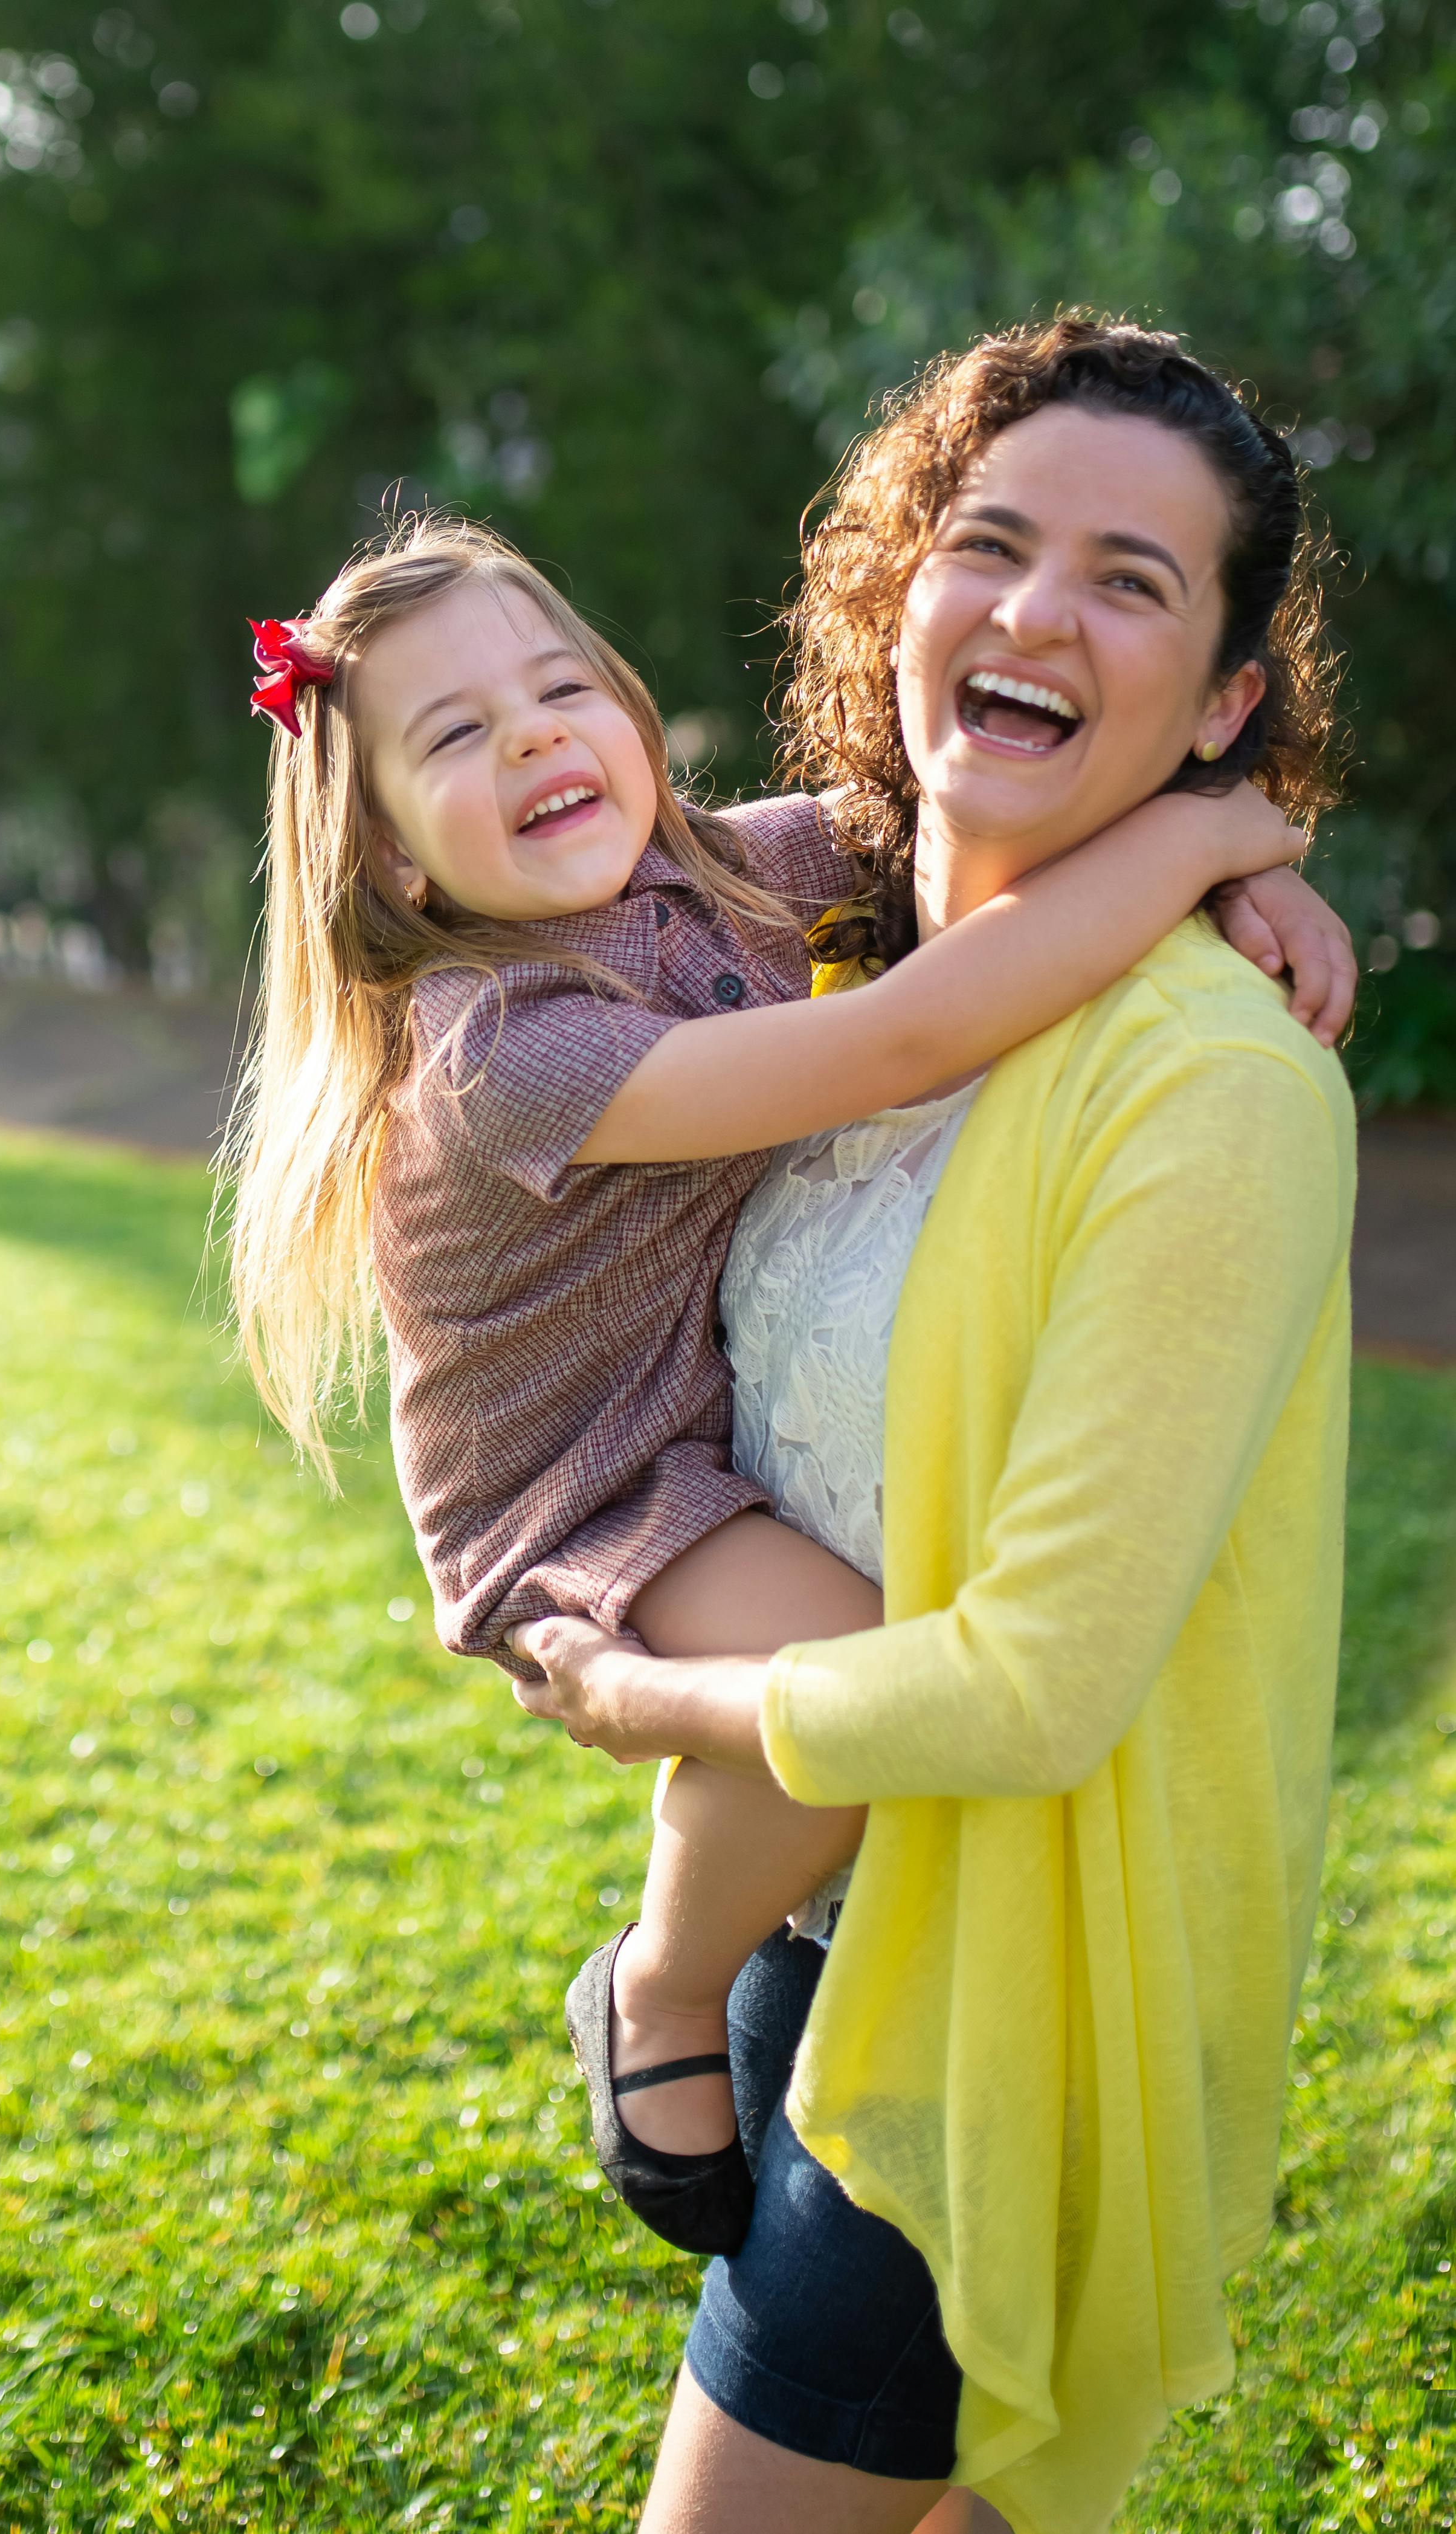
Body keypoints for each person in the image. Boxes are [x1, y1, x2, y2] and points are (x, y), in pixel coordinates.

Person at [221, 514, 1345, 2261]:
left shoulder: (734, 868)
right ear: (396, 869)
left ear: (632, 709)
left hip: (684, 1401)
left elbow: (996, 835)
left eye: (557, 684)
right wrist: (1210, 824)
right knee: (847, 1675)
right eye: (453, 735)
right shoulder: (501, 1048)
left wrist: (1230, 882)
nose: (529, 735)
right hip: (581, 1480)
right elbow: (905, 1037)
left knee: (855, 1696)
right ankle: (659, 1985)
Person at [510, 320, 1358, 2534]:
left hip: (1014, 1983)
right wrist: (1215, 850)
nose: (1035, 610)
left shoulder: (1215, 1091)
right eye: (988, 543)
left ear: (1225, 701)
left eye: (1133, 581)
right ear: (900, 596)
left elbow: (1041, 1683)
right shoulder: (814, 956)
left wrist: (646, 1699)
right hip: (816, 1909)